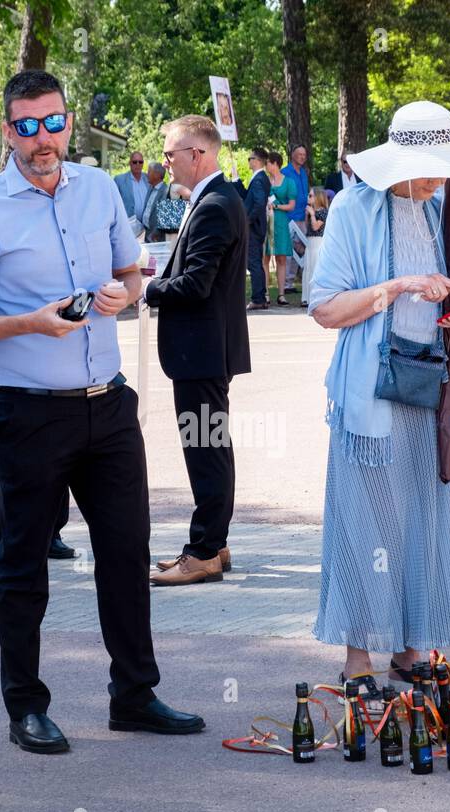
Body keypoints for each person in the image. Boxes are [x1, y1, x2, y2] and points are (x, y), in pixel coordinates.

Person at [0, 69, 204, 754]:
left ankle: (134, 695)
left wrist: (124, 293)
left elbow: (132, 276)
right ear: (6, 132)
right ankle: (25, 706)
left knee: (126, 552)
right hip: (28, 414)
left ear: (67, 119)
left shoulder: (99, 189)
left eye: (52, 122)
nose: (42, 138)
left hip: (108, 405)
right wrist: (29, 322)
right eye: (25, 127)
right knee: (24, 567)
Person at [308, 100, 450, 682]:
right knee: (367, 521)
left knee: (429, 519)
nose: (441, 174)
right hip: (372, 394)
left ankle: (414, 649)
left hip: (436, 392)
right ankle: (358, 660)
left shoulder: (446, 211)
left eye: (445, 161)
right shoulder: (353, 207)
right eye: (431, 163)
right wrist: (398, 286)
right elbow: (325, 308)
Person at [144, 115, 251, 586]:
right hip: (203, 349)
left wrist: (147, 290)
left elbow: (196, 284)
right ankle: (215, 541)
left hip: (201, 350)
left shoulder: (214, 204)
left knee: (205, 449)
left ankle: (204, 549)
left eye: (171, 154)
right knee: (210, 446)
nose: (165, 163)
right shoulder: (214, 199)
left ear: (198, 154)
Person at [266, 150, 296, 305]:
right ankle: (265, 293)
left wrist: (276, 206)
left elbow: (292, 205)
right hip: (265, 220)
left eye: (268, 163)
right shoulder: (264, 180)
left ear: (275, 164)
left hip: (281, 221)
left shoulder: (289, 182)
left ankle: (281, 293)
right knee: (265, 256)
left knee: (281, 257)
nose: (266, 166)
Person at [242, 147, 271, 310]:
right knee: (254, 262)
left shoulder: (259, 179)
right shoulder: (258, 178)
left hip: (254, 227)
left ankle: (258, 298)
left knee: (253, 263)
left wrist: (248, 221)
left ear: (258, 161)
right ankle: (260, 296)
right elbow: (249, 197)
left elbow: (259, 203)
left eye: (250, 158)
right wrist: (237, 182)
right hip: (256, 226)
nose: (249, 161)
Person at [282, 144, 310, 292]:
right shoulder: (285, 172)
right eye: (300, 154)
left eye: (304, 155)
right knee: (288, 251)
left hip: (302, 217)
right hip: (289, 217)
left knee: (300, 250)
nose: (302, 157)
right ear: (292, 155)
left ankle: (291, 282)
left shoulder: (303, 173)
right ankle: (286, 283)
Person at [301, 186, 329, 307]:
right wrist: (308, 214)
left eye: (311, 195)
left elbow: (316, 227)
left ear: (318, 197)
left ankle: (316, 297)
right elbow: (307, 227)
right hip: (310, 242)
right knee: (308, 268)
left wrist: (312, 215)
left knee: (315, 269)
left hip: (319, 242)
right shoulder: (312, 211)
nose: (308, 197)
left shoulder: (323, 212)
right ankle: (306, 297)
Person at [113, 150, 151, 224]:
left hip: (147, 226)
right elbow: (113, 203)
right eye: (135, 162)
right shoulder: (120, 180)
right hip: (128, 226)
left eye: (140, 162)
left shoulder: (149, 179)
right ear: (130, 163)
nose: (138, 164)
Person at [138, 161, 168, 241]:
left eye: (149, 171)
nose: (147, 174)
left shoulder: (167, 191)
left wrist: (152, 236)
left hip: (156, 238)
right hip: (146, 233)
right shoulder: (151, 188)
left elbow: (164, 221)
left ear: (157, 175)